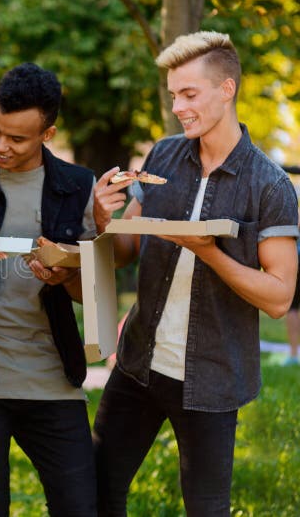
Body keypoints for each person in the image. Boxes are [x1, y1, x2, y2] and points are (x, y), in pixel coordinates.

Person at [92, 31, 299, 516]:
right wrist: (103, 217)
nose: (179, 107)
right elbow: (124, 249)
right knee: (97, 489)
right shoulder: (163, 156)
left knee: (206, 509)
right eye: (173, 96)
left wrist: (208, 252)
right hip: (138, 362)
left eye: (189, 94)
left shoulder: (268, 185)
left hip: (211, 378)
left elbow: (278, 298)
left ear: (226, 90)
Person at [0, 63, 98, 516]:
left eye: (16, 138)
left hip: (54, 381)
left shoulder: (78, 187)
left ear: (48, 133)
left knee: (79, 506)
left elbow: (89, 293)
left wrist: (67, 275)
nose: (0, 146)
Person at [284, 232, 300, 365]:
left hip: (297, 259)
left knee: (293, 309)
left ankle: (294, 354)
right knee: (292, 309)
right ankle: (293, 354)